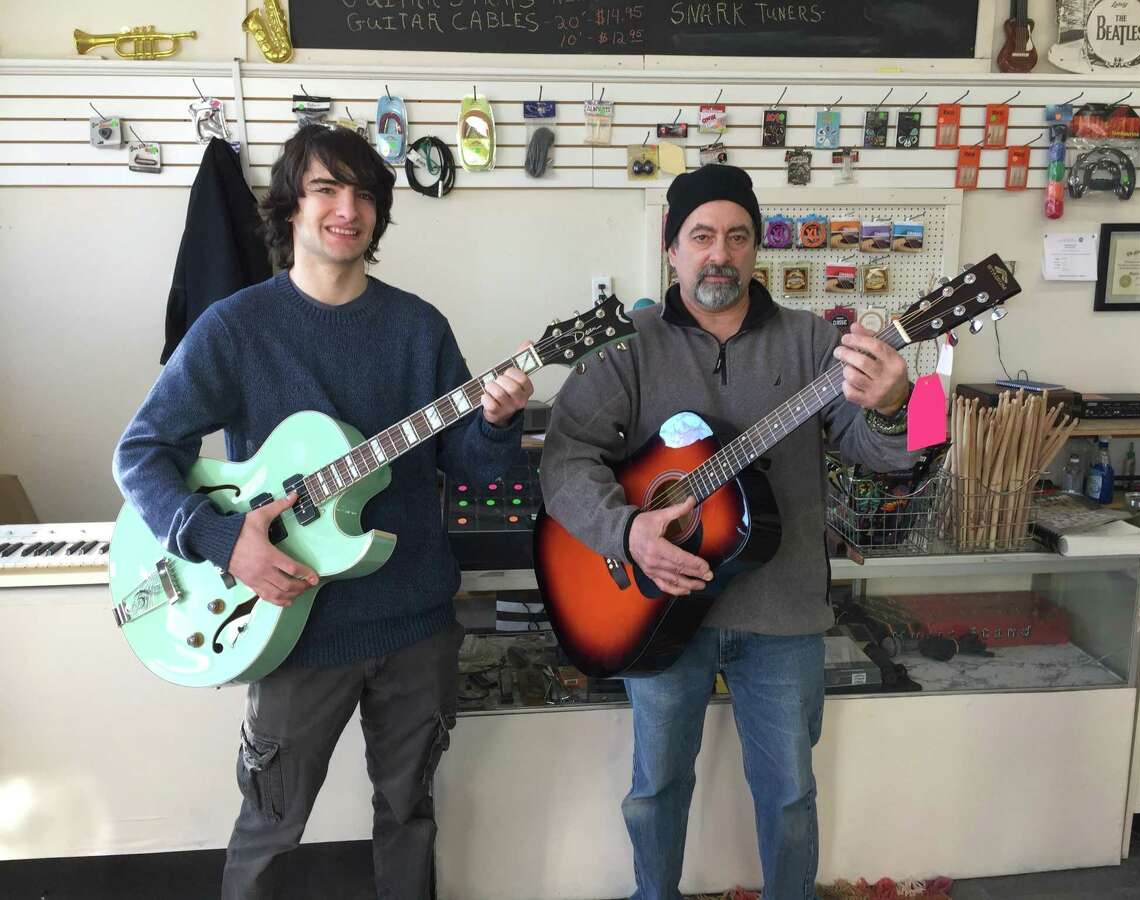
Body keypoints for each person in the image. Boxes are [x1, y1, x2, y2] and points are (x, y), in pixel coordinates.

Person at [113, 124, 533, 899]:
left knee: (409, 814)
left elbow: (472, 468)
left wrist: (497, 424)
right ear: (290, 208)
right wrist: (221, 540)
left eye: (364, 193)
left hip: (415, 627)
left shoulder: (419, 328)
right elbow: (140, 452)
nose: (349, 208)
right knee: (270, 827)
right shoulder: (236, 328)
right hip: (289, 629)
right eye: (326, 189)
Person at [539, 164, 915, 900]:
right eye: (702, 236)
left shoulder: (816, 343)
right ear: (672, 248)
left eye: (738, 237)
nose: (721, 254)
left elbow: (886, 455)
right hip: (654, 610)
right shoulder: (628, 346)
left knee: (790, 798)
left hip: (782, 614)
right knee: (655, 792)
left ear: (757, 248)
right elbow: (566, 458)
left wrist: (899, 403)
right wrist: (626, 532)